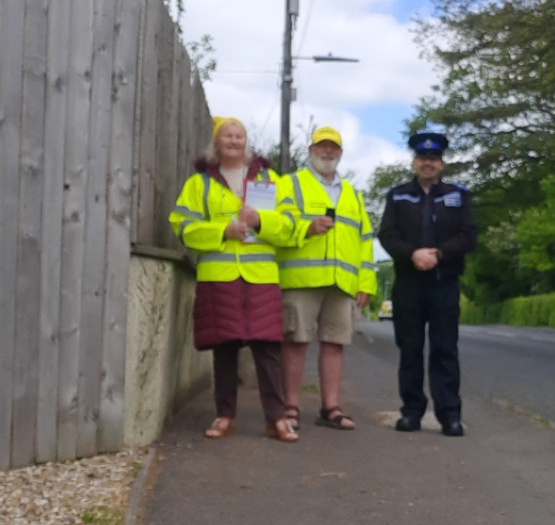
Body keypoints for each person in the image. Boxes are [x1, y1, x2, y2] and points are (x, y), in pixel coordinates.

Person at [169, 117, 305, 442]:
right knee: (225, 348)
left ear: (247, 142)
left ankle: (277, 419)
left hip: (261, 277)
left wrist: (260, 219)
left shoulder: (272, 180)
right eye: (227, 136)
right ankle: (225, 415)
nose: (233, 140)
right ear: (216, 144)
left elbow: (290, 225)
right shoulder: (198, 184)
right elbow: (182, 225)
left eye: (239, 135)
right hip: (220, 276)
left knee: (267, 348)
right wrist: (222, 231)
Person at [276, 126, 377, 431]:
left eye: (334, 147)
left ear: (341, 153)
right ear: (311, 150)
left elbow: (364, 240)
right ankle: (290, 407)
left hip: (341, 283)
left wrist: (366, 283)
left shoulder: (353, 195)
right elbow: (274, 224)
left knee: (334, 344)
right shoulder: (290, 184)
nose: (328, 151)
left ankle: (330, 408)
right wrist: (306, 227)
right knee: (296, 342)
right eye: (322, 146)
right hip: (301, 278)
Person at [378, 131, 478, 436]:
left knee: (445, 350)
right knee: (410, 350)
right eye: (423, 158)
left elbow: (468, 235)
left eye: (433, 159)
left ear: (441, 163)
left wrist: (439, 254)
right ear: (414, 161)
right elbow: (387, 235)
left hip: (444, 282)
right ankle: (411, 412)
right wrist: (413, 254)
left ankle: (449, 415)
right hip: (408, 283)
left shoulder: (459, 195)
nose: (428, 163)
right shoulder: (397, 195)